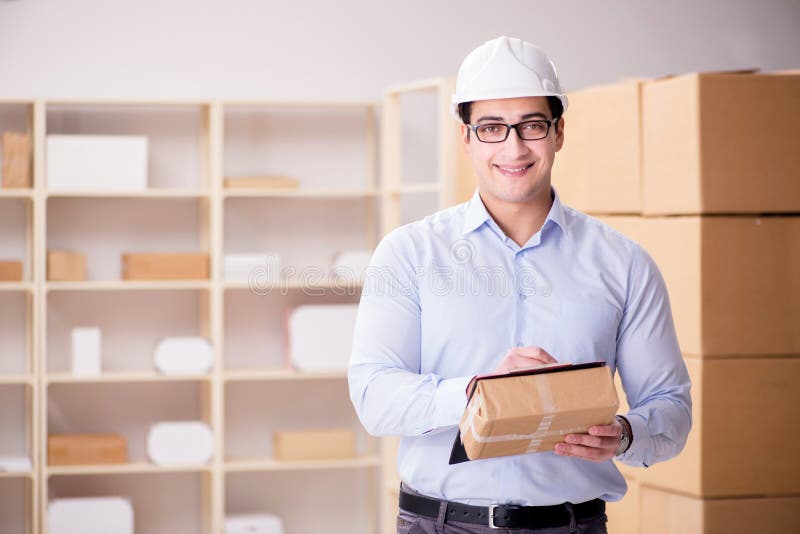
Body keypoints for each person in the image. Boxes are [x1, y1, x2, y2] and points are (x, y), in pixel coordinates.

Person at [349, 36, 691, 533]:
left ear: (559, 132)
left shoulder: (624, 264)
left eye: (531, 125)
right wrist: (479, 392)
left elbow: (672, 408)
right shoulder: (410, 254)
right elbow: (374, 396)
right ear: (465, 137)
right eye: (491, 128)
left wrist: (622, 434)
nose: (513, 148)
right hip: (440, 525)